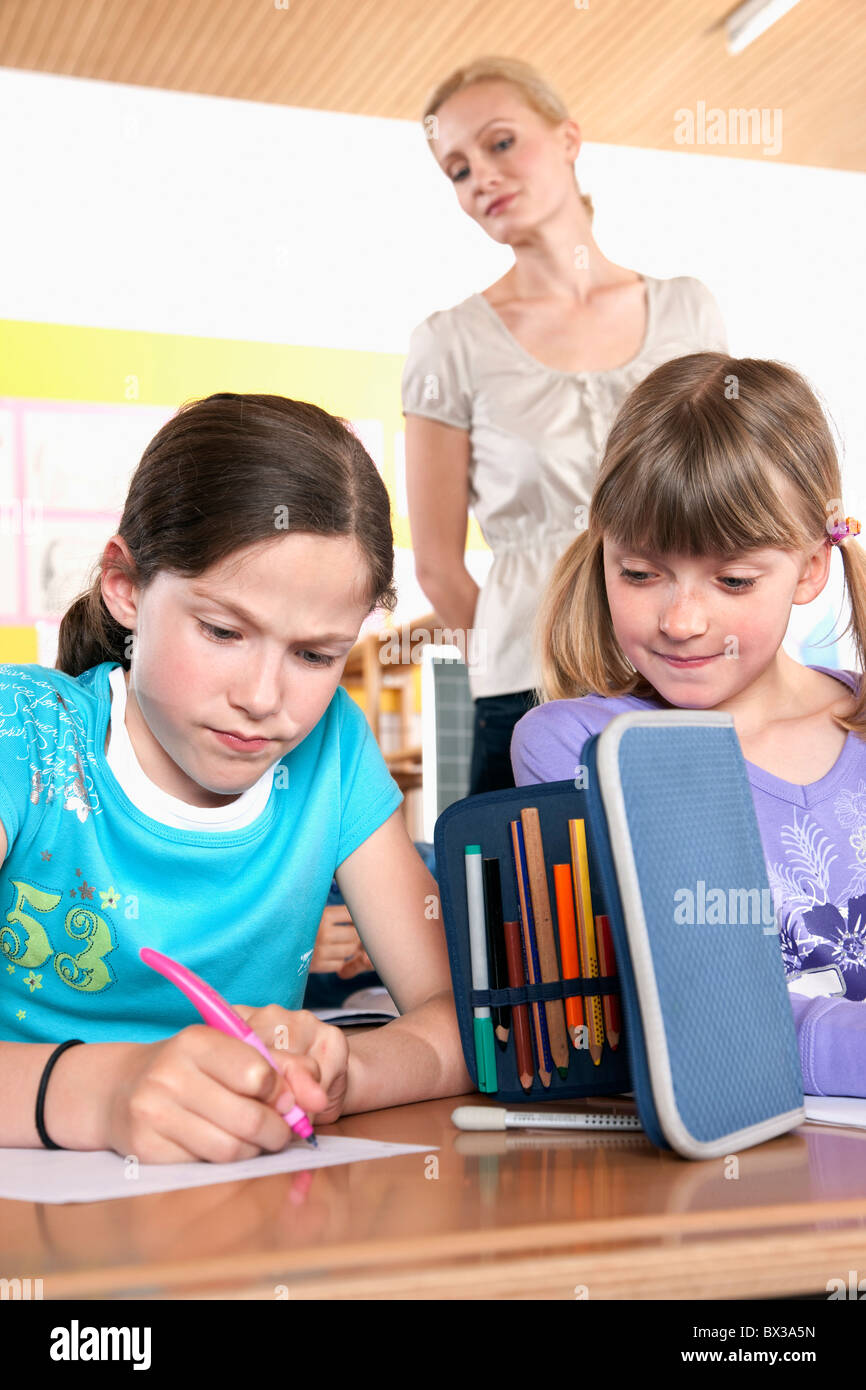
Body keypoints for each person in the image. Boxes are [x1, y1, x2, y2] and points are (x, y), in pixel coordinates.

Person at [0, 392, 469, 1162]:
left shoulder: (333, 751)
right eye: (222, 631)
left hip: (237, 1225)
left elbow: (455, 1020)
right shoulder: (21, 734)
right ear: (126, 586)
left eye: (316, 655)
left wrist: (346, 1069)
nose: (262, 698)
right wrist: (107, 1092)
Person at [511, 350, 866, 1098]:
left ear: (810, 568)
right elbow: (687, 1015)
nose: (681, 620)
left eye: (733, 580)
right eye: (639, 574)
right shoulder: (584, 748)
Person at [402, 55, 728, 796]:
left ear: (569, 138)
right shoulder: (448, 343)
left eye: (500, 143)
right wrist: (554, 651)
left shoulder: (689, 312)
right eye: (456, 169)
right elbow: (437, 568)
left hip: (685, 674)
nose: (480, 176)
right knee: (526, 914)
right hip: (526, 691)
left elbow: (724, 497)